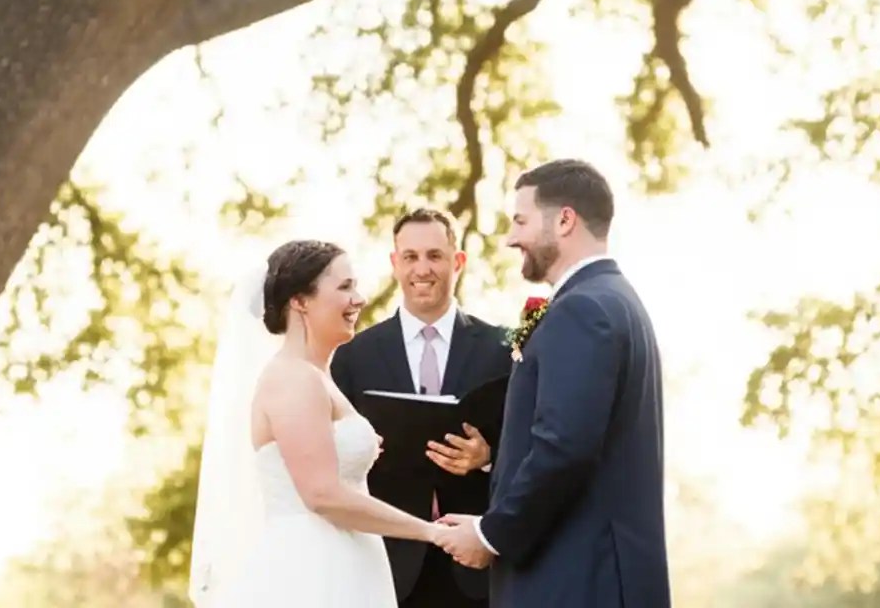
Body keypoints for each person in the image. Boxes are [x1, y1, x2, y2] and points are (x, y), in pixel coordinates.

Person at [437, 159, 672, 607]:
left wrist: (490, 534)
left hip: (577, 581)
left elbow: (564, 447)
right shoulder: (614, 300)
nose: (510, 237)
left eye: (520, 220)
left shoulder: (583, 310)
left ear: (565, 219)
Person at [188, 239, 452, 607]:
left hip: (347, 560)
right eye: (344, 287)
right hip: (311, 569)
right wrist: (430, 532)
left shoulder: (319, 378)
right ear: (300, 300)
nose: (358, 299)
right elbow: (322, 494)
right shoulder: (293, 379)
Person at [332, 208, 511, 607]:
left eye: (435, 255)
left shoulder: (502, 350)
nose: (422, 269)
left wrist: (487, 458)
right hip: (385, 564)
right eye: (410, 257)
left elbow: (530, 450)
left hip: (476, 565)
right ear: (395, 264)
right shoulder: (353, 356)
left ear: (458, 262)